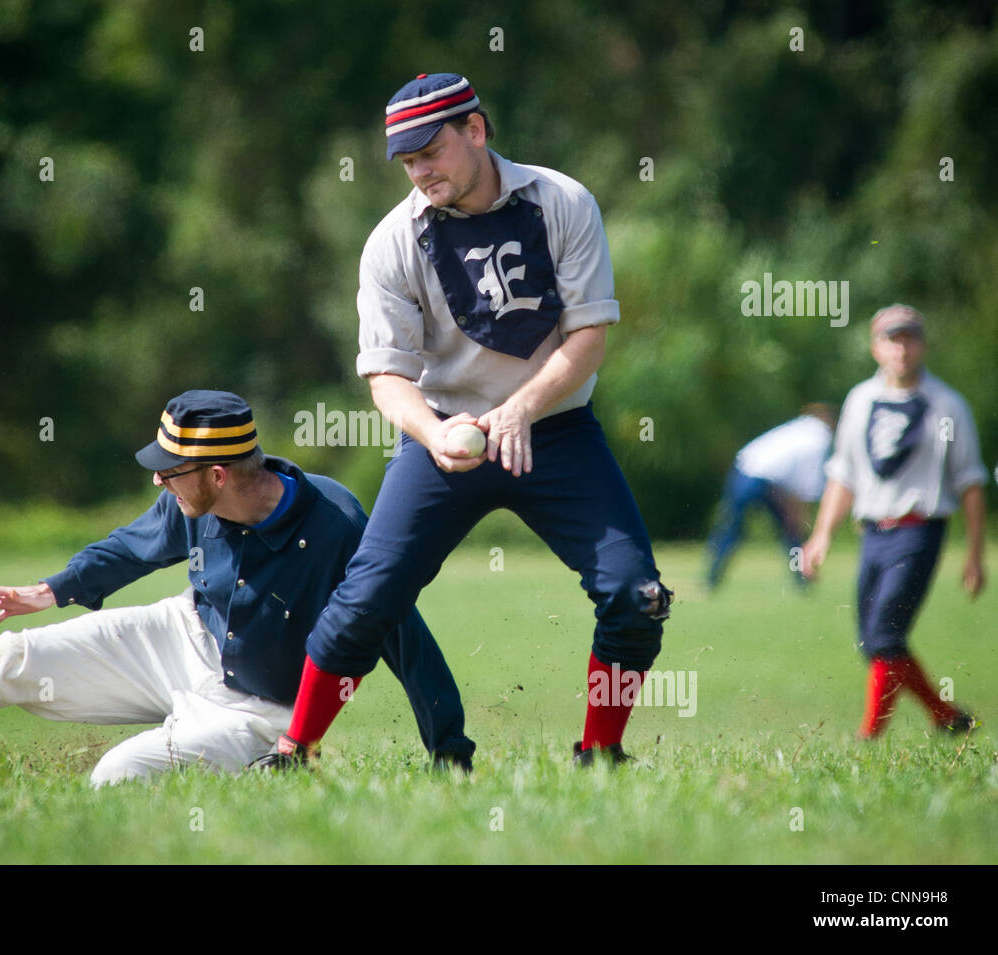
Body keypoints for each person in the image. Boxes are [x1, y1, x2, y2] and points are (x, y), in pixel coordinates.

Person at [0, 391, 476, 786]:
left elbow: (403, 634)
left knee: (116, 778)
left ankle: (276, 771)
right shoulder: (192, 498)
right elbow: (134, 546)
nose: (158, 477)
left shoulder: (338, 524)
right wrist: (51, 588)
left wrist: (450, 754)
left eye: (170, 467)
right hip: (182, 638)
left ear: (218, 474)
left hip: (263, 709)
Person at [268, 73, 673, 769]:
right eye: (407, 160)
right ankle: (291, 750)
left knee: (637, 596)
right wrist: (431, 433)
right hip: (442, 438)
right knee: (366, 598)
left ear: (476, 130)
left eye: (431, 150)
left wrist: (519, 409)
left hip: (556, 430)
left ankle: (601, 754)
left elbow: (589, 339)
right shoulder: (391, 242)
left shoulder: (563, 202)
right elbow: (387, 378)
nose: (420, 170)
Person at [801, 305, 986, 738]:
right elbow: (843, 473)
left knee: (885, 634)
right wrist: (821, 535)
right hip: (873, 533)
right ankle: (947, 717)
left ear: (922, 345)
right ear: (876, 347)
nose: (901, 349)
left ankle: (869, 737)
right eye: (892, 339)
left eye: (909, 338)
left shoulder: (946, 406)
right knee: (875, 642)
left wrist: (975, 555)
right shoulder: (861, 400)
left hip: (920, 529)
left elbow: (971, 483)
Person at [705, 404, 836, 589]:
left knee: (731, 527)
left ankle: (711, 577)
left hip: (745, 469)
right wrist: (799, 520)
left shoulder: (799, 427)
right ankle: (802, 577)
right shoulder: (819, 439)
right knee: (791, 532)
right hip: (761, 479)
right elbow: (803, 489)